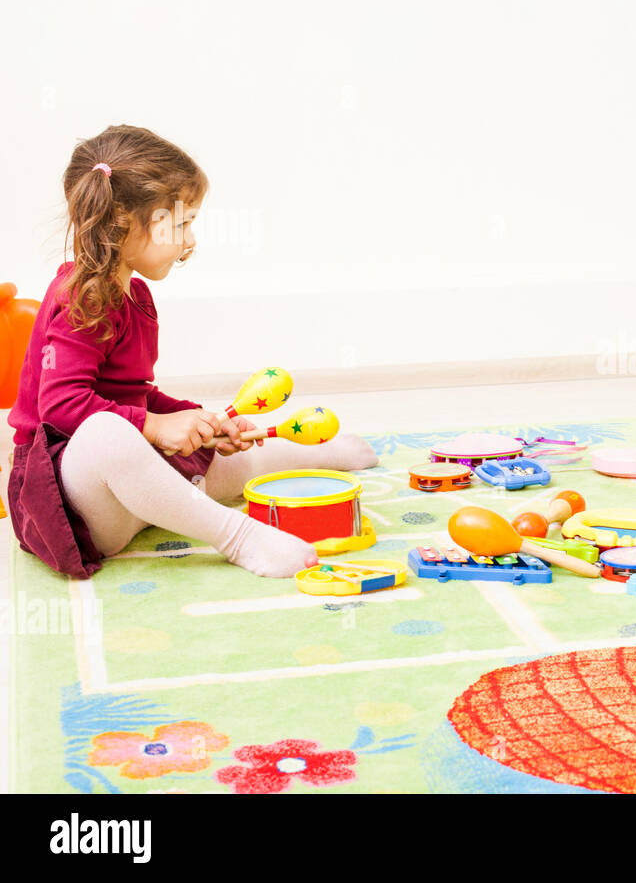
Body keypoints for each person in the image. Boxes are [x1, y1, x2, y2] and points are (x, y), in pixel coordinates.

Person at [7, 125, 377, 579]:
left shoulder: (135, 295)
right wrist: (156, 427)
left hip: (132, 495)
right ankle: (238, 537)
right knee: (108, 434)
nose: (191, 239)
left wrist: (197, 420)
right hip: (70, 504)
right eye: (182, 223)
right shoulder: (79, 295)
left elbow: (134, 394)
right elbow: (62, 406)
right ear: (125, 222)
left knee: (218, 455)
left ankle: (319, 456)